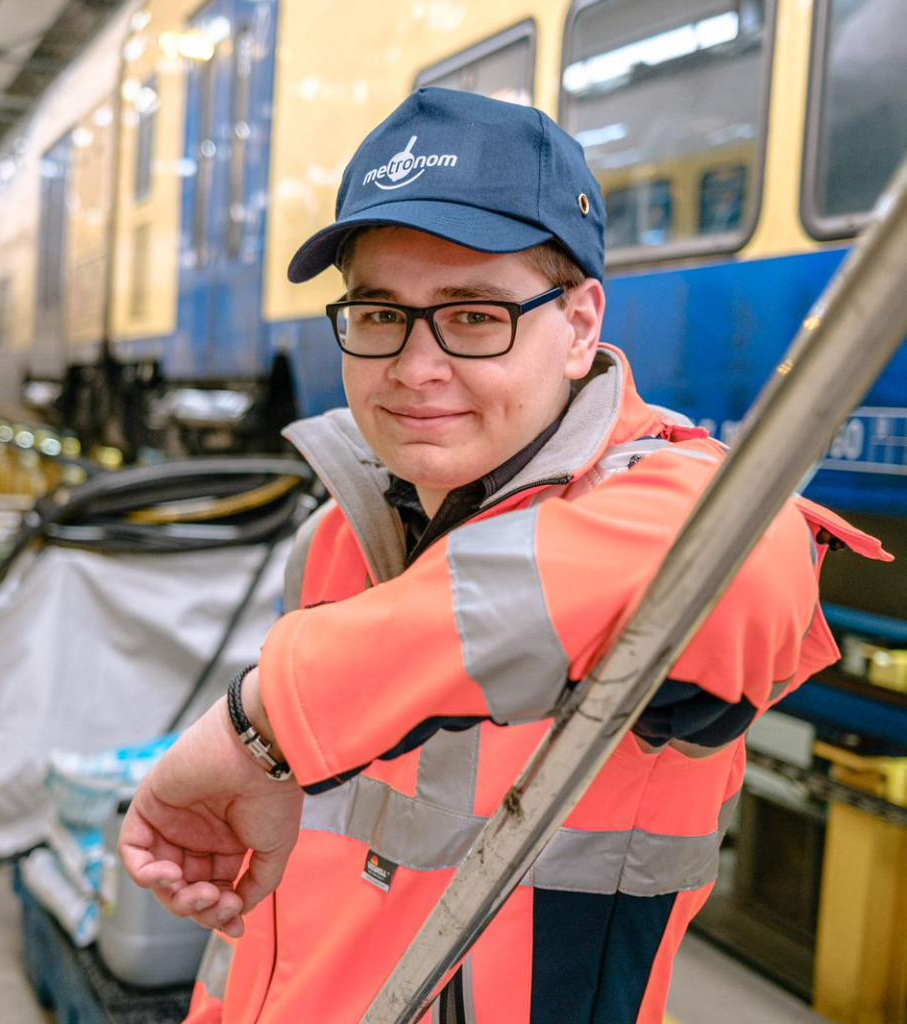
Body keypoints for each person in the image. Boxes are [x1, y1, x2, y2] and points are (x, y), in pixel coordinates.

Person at [118, 88, 888, 1024]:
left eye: (476, 316)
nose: (414, 367)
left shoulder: (691, 504)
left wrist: (264, 719)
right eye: (379, 313)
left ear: (580, 324)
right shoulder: (336, 534)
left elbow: (735, 565)